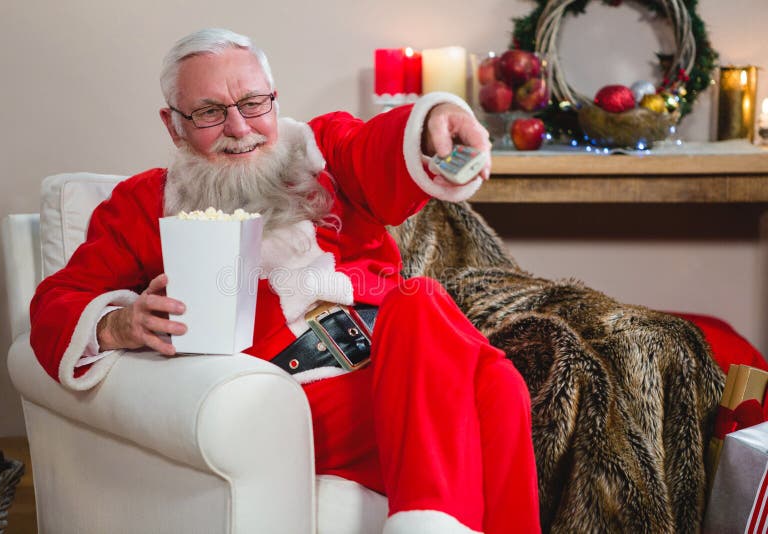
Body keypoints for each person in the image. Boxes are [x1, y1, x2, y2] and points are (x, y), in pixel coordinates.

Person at [30, 28, 540, 533]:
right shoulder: (145, 205)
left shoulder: (320, 151)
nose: (239, 128)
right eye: (209, 112)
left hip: (401, 358)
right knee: (482, 374)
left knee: (482, 365)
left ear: (274, 100)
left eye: (253, 103)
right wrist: (118, 325)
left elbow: (378, 149)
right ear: (174, 125)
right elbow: (57, 300)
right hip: (305, 394)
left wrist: (435, 123)